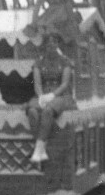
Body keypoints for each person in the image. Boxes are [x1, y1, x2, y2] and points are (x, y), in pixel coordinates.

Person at [26, 33, 78, 163]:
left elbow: (65, 83)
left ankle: (39, 148)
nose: (51, 45)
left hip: (61, 96)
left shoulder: (65, 61)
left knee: (48, 111)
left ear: (58, 44)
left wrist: (52, 95)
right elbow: (37, 83)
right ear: (45, 46)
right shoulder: (39, 63)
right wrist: (41, 96)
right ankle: (42, 148)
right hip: (44, 95)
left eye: (54, 42)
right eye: (48, 43)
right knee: (32, 111)